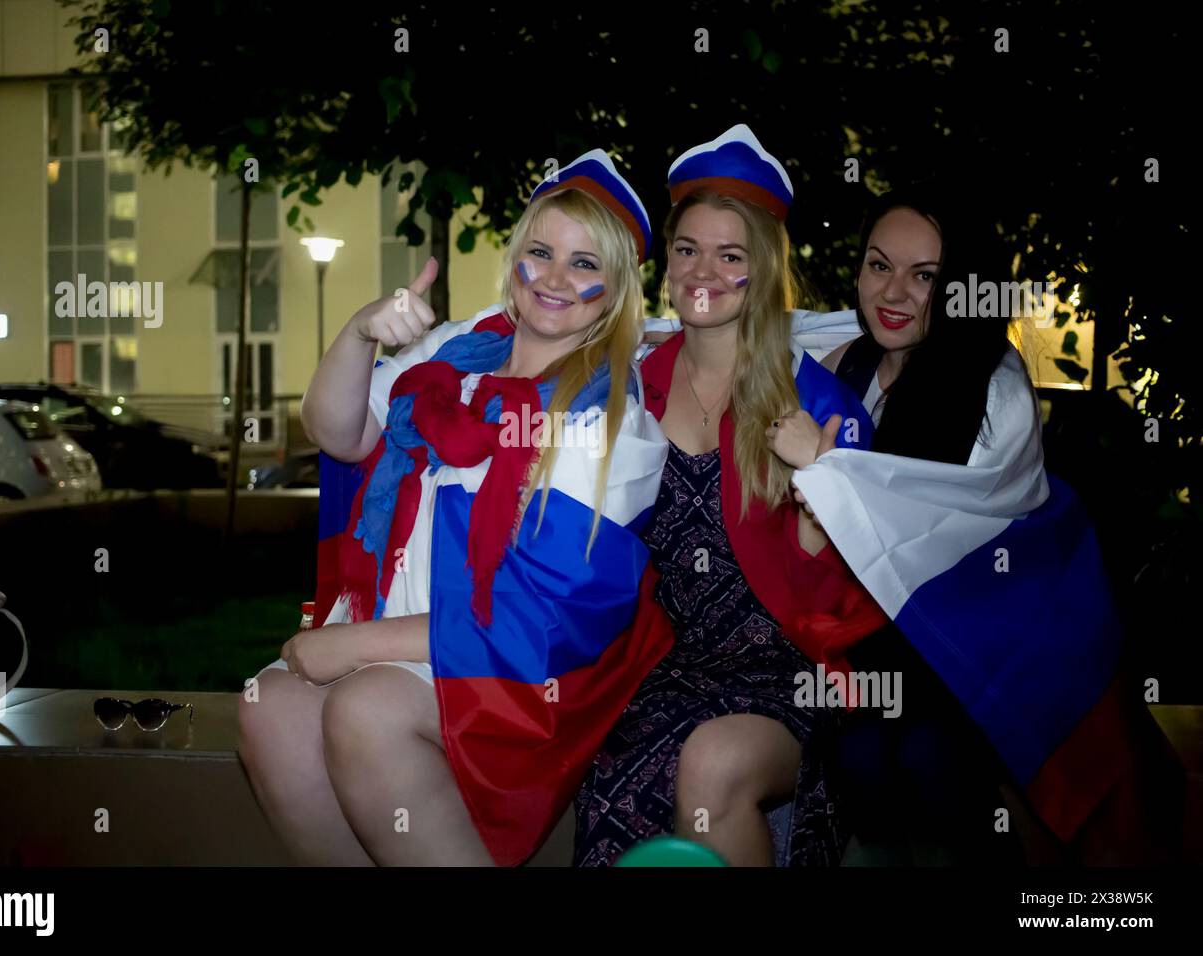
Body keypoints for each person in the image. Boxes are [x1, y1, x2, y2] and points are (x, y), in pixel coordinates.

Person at [238, 148, 672, 866]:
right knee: (268, 708)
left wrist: (347, 644)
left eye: (585, 264)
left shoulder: (610, 422)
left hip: (516, 672)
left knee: (364, 708)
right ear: (516, 261)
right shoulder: (453, 357)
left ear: (617, 288)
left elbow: (538, 623)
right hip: (401, 642)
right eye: (541, 252)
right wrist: (360, 332)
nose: (556, 278)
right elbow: (336, 433)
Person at [772, 187, 1181, 863]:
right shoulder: (845, 360)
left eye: (925, 275)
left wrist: (824, 466)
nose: (894, 291)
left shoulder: (996, 390)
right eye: (879, 265)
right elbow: (741, 336)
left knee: (930, 758)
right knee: (865, 754)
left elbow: (954, 523)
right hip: (874, 640)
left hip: (983, 638)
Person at [575, 125, 886, 868]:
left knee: (711, 768)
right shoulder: (631, 390)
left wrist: (823, 484)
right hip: (671, 671)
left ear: (763, 269)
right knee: (610, 788)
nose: (702, 270)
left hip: (798, 680)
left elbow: (854, 594)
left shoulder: (822, 406)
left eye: (730, 254)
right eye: (687, 249)